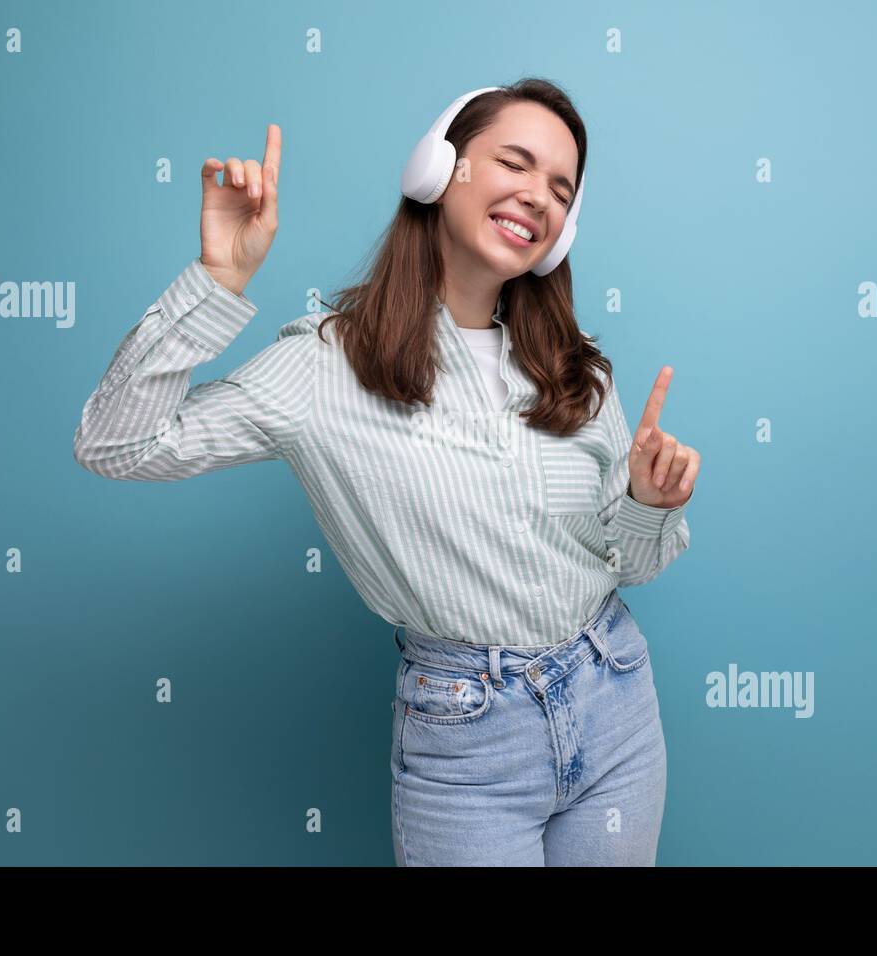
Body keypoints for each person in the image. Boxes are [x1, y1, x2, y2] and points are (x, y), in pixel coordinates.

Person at [72, 77, 701, 866]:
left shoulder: (575, 373)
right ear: (438, 172)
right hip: (467, 742)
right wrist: (217, 281)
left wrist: (648, 503)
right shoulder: (324, 365)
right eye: (514, 163)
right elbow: (115, 445)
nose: (539, 196)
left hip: (615, 705)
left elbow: (630, 565)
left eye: (561, 188)